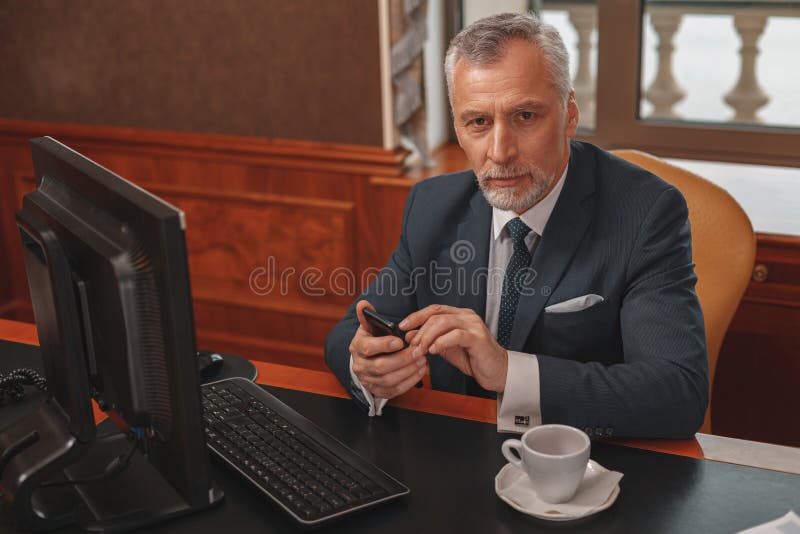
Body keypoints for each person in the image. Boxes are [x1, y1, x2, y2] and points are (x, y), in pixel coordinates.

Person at [325, 12, 708, 439]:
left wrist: (509, 372)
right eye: (478, 122)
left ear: (569, 115)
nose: (500, 152)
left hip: (584, 467)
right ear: (458, 126)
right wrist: (368, 367)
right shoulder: (432, 205)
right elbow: (348, 333)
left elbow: (678, 393)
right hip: (456, 460)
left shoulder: (646, 213)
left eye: (525, 116)